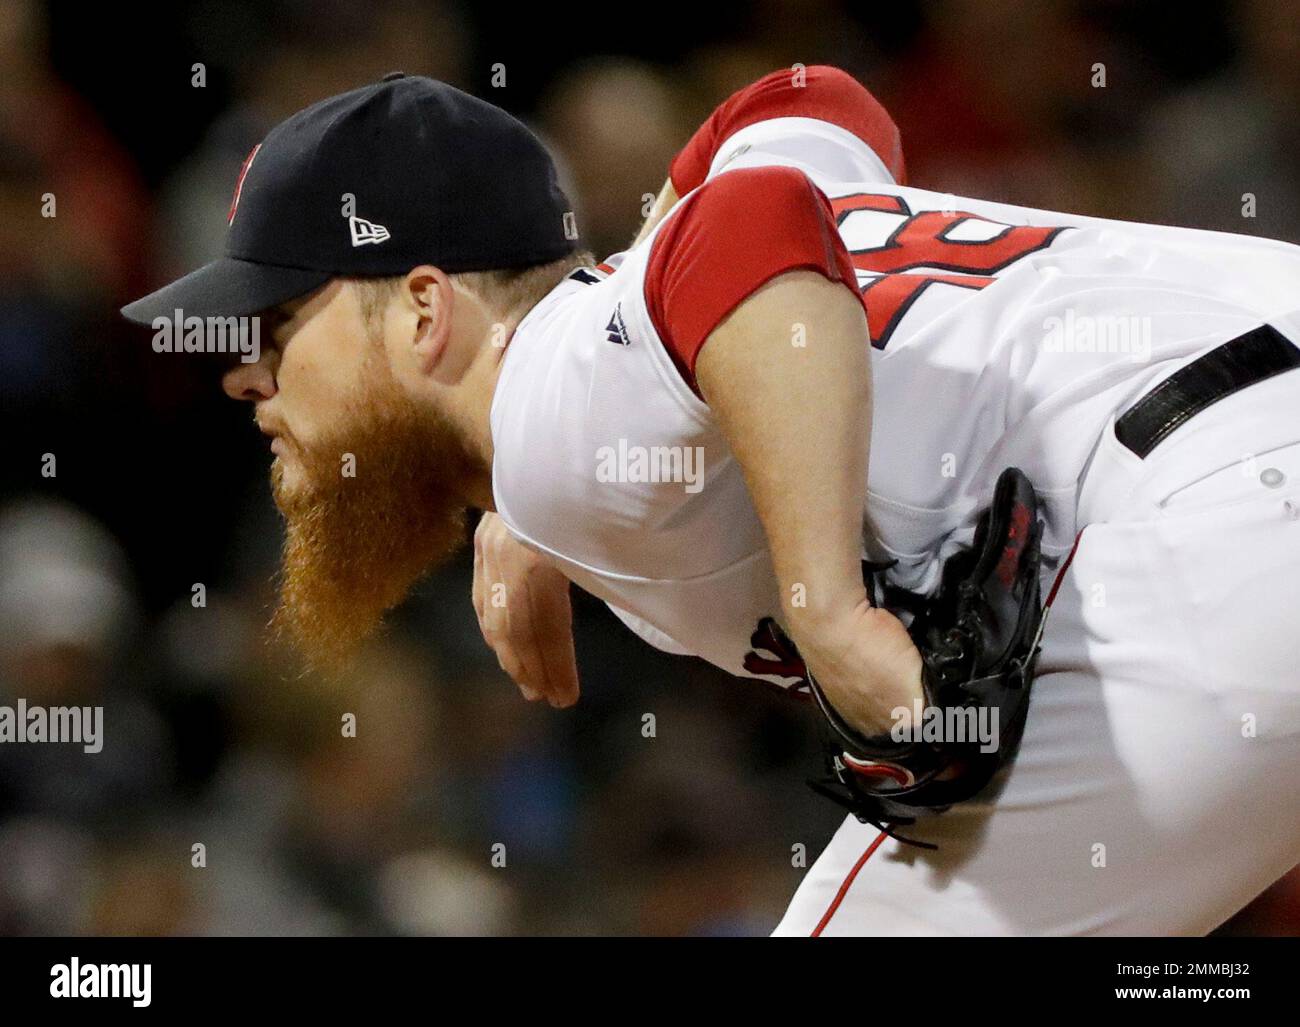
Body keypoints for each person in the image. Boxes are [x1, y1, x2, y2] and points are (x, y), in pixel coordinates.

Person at [122, 67, 1300, 935]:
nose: (244, 369)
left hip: (1221, 508)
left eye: (282, 322)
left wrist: (826, 608)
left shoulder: (553, 394)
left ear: (426, 313)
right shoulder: (608, 365)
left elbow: (744, 229)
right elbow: (808, 105)